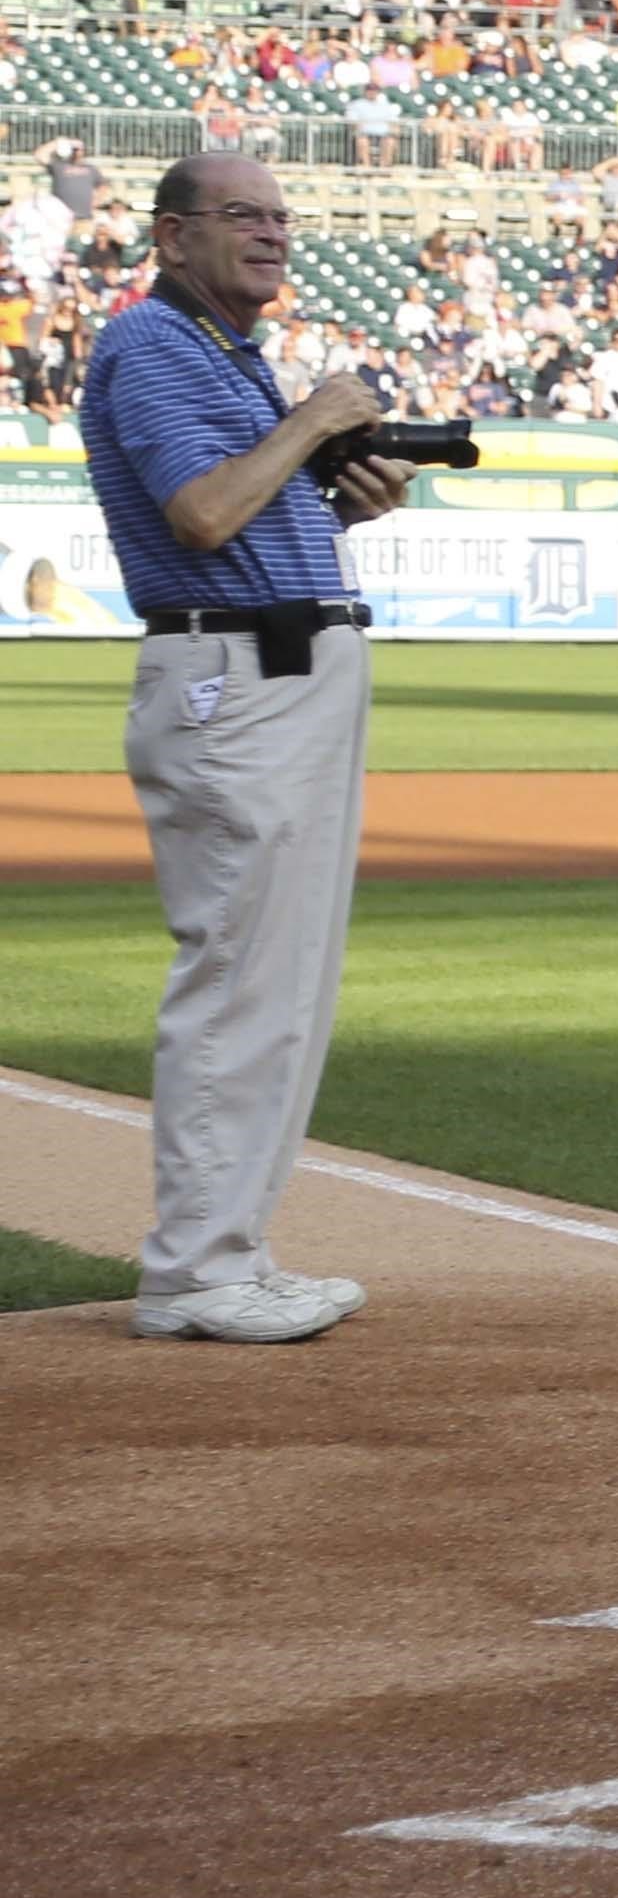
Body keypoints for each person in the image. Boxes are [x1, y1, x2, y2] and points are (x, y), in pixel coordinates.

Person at [80, 152, 415, 1343]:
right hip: (236, 675)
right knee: (241, 977)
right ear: (173, 237)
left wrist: (339, 504)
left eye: (280, 214)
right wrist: (320, 420)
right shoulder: (152, 344)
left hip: (279, 665)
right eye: (242, 215)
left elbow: (248, 515)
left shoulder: (226, 353)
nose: (272, 233)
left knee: (283, 984)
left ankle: (229, 1249)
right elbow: (203, 513)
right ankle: (194, 1271)